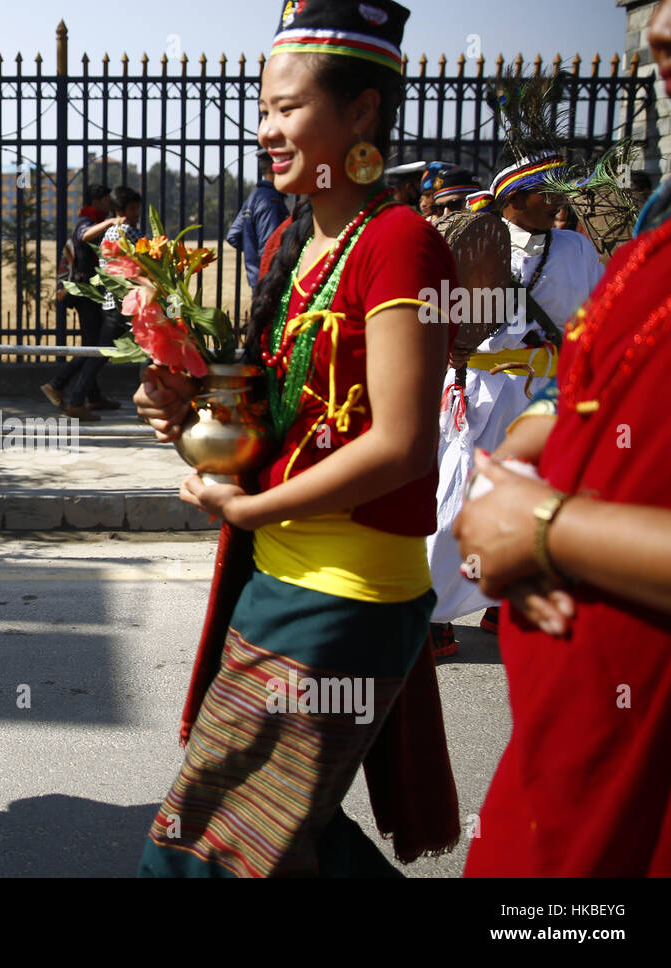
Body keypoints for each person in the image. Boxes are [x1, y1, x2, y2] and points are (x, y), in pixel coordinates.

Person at [135, 0, 459, 877]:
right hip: (281, 580)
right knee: (277, 835)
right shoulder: (293, 242)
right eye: (265, 109)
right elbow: (276, 436)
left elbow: (399, 444)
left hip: (345, 597)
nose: (267, 128)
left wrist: (249, 505)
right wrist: (187, 426)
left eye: (287, 109)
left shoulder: (401, 244)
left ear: (361, 116)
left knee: (202, 844)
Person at [455, 0, 671, 876]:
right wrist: (530, 454)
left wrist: (549, 530)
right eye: (646, 3)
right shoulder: (645, 233)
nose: (657, 31)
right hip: (579, 763)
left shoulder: (588, 250)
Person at [425, 146, 604, 656]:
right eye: (547, 193)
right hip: (480, 393)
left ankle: (503, 604)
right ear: (515, 200)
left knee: (534, 498)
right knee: (457, 498)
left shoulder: (576, 249)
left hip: (546, 394)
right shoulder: (478, 244)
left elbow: (593, 317)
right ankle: (433, 611)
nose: (558, 202)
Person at [43, 183, 120, 415]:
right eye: (107, 200)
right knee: (96, 348)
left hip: (92, 293)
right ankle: (57, 384)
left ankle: (93, 397)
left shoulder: (93, 220)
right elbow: (83, 235)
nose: (109, 206)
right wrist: (111, 222)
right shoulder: (87, 222)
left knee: (93, 346)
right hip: (86, 295)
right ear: (96, 201)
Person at [225, 152, 290, 289]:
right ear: (275, 168)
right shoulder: (270, 200)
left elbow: (233, 236)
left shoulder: (255, 196)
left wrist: (252, 250)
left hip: (258, 278)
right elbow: (271, 246)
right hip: (270, 279)